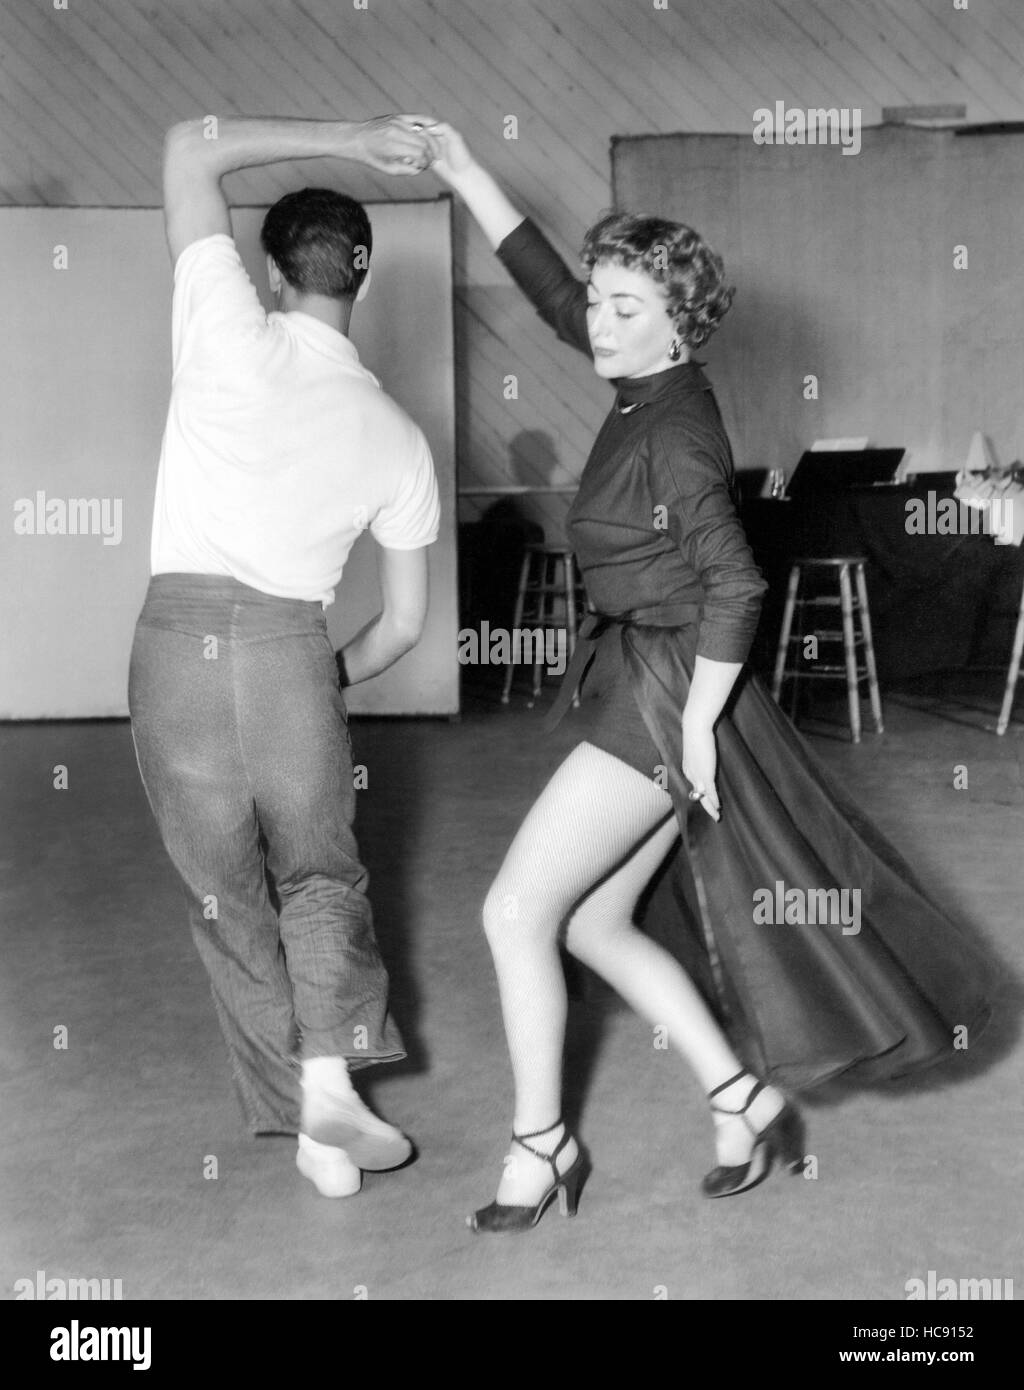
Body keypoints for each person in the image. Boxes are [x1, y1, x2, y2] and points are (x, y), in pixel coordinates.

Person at [424, 124, 993, 1234]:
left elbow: (736, 586)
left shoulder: (676, 429)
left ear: (681, 322)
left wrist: (690, 731)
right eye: (597, 301)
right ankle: (740, 1098)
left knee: (511, 909)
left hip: (659, 690)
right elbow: (551, 288)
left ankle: (541, 1142)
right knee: (590, 922)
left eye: (624, 307)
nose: (595, 320)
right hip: (642, 675)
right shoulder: (641, 378)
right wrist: (461, 171)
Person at [129, 115, 441, 1198]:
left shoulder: (226, 325)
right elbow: (400, 628)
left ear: (269, 270)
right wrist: (316, 680)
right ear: (362, 277)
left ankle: (309, 1128)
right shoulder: (397, 435)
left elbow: (187, 148)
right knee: (320, 879)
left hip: (172, 649)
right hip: (292, 650)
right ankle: (330, 1090)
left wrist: (355, 138)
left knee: (225, 896)